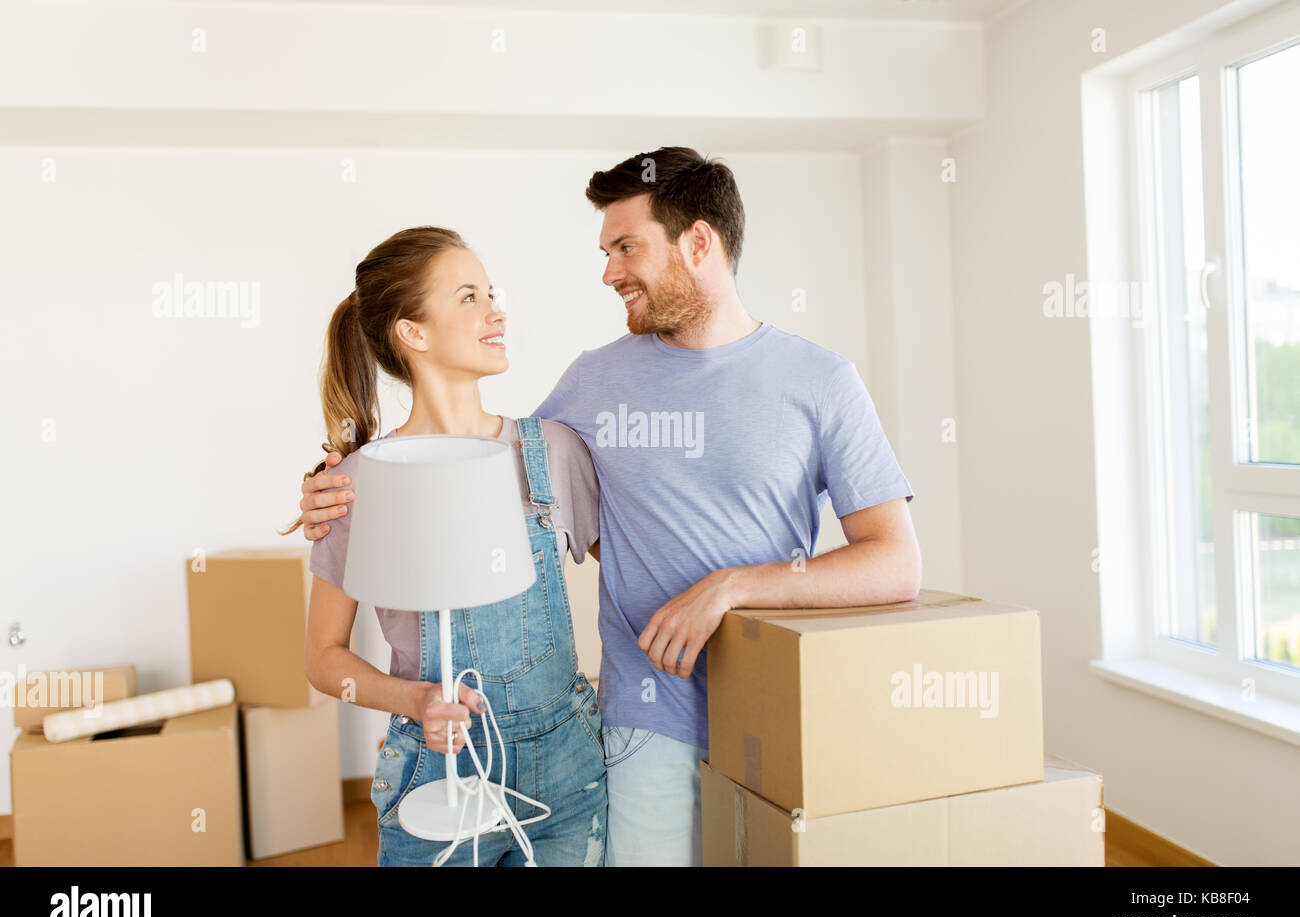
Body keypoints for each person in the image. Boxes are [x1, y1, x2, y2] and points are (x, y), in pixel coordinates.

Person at [298, 148, 923, 866]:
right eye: (606, 251)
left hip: (784, 707)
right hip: (640, 726)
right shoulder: (592, 387)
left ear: (698, 242)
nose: (608, 272)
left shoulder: (821, 381)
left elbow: (896, 562)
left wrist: (732, 586)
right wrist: (340, 486)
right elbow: (475, 479)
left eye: (626, 248)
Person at [282, 226, 607, 866]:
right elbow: (322, 659)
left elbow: (636, 576)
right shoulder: (355, 484)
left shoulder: (554, 452)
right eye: (468, 297)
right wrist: (418, 701)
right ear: (414, 333)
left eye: (491, 293)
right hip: (434, 773)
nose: (496, 310)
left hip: (567, 770)